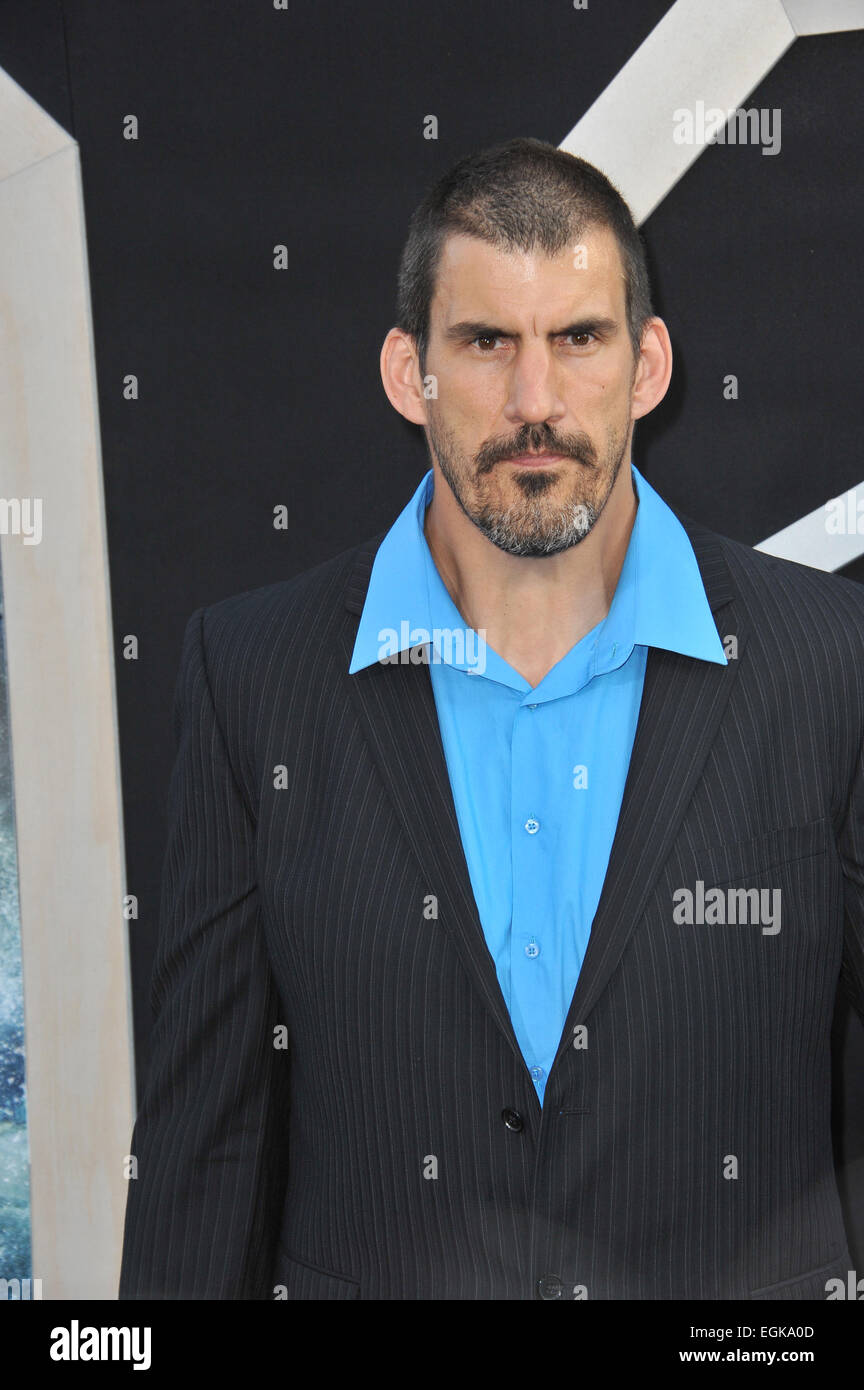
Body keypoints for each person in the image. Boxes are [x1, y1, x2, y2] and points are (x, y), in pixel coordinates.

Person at [119, 137, 864, 1301]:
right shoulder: (250, 675)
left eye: (578, 338)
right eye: (485, 344)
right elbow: (204, 1151)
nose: (535, 403)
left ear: (650, 364)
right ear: (405, 370)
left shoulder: (835, 661)